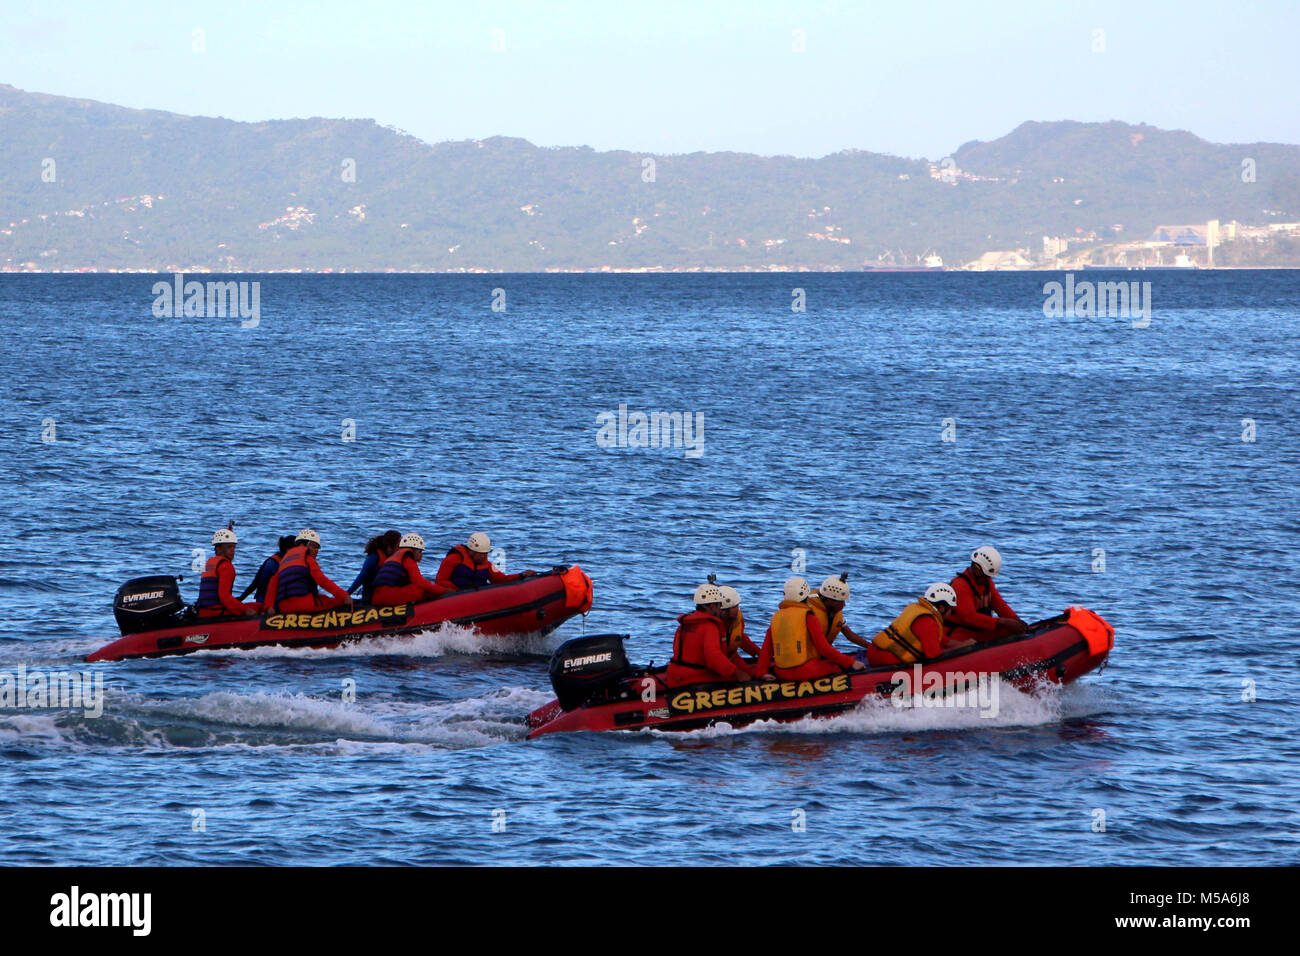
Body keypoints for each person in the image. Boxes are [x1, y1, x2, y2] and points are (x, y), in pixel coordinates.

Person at [755, 577, 866, 680]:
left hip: (781, 672)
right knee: (836, 666)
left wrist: (762, 672)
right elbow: (824, 648)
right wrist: (851, 663)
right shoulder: (809, 616)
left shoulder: (776, 617)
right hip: (806, 670)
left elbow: (766, 650)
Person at [665, 583, 756, 687]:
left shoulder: (684, 625)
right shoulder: (709, 627)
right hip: (693, 678)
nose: (720, 609)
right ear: (712, 606)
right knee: (741, 679)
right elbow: (714, 658)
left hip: (674, 675)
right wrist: (738, 673)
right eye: (719, 606)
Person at [866, 582, 970, 666]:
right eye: (951, 610)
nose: (951, 613)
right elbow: (934, 656)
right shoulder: (928, 622)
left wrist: (964, 644)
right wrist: (963, 649)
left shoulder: (916, 608)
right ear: (942, 608)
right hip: (886, 659)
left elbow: (942, 640)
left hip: (874, 651)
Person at [944, 545, 1026, 644]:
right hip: (959, 633)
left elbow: (1000, 605)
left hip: (978, 631)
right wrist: (1003, 621)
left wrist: (1016, 621)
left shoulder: (986, 583)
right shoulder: (960, 585)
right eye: (986, 576)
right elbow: (969, 618)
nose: (988, 579)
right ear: (976, 569)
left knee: (1010, 631)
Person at [265, 528, 354, 614]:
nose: (316, 551)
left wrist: (269, 606)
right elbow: (322, 581)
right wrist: (344, 596)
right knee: (335, 602)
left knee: (322, 597)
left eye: (317, 548)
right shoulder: (308, 559)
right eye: (314, 546)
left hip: (284, 608)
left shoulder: (284, 561)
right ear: (306, 545)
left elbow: (272, 584)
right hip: (305, 605)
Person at [434, 532, 536, 592]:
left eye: (485, 553)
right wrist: (459, 590)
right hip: (458, 595)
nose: (483, 557)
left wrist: (521, 575)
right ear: (471, 551)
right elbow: (440, 581)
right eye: (480, 554)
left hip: (479, 595)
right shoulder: (453, 559)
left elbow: (501, 579)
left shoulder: (487, 565)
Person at [196, 528, 261, 618]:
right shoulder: (226, 566)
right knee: (259, 607)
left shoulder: (210, 563)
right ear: (218, 548)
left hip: (203, 611)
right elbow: (225, 597)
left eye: (234, 547)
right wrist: (245, 610)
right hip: (215, 612)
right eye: (229, 547)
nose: (232, 550)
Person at [370, 533, 451, 606]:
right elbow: (420, 582)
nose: (421, 556)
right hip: (387, 595)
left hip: (377, 596)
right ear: (414, 550)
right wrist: (443, 590)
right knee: (419, 590)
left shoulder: (393, 557)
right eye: (420, 552)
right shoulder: (407, 559)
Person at [808, 574, 872, 650]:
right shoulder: (810, 612)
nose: (844, 605)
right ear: (831, 601)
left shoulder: (834, 613)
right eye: (842, 602)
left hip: (822, 654)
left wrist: (871, 647)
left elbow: (850, 635)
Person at [239, 534, 297, 603]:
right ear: (288, 550)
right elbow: (256, 582)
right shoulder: (272, 563)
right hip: (265, 601)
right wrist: (241, 598)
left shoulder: (290, 561)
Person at [349, 530, 401, 604]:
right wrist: (346, 595)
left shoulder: (394, 559)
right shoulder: (374, 557)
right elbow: (361, 577)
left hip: (386, 594)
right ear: (389, 548)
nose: (400, 549)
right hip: (370, 596)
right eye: (398, 546)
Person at [718, 586, 761, 658]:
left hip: (730, 657)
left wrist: (758, 652)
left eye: (737, 606)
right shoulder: (712, 625)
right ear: (723, 610)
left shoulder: (737, 620)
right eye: (734, 607)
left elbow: (739, 637)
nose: (737, 609)